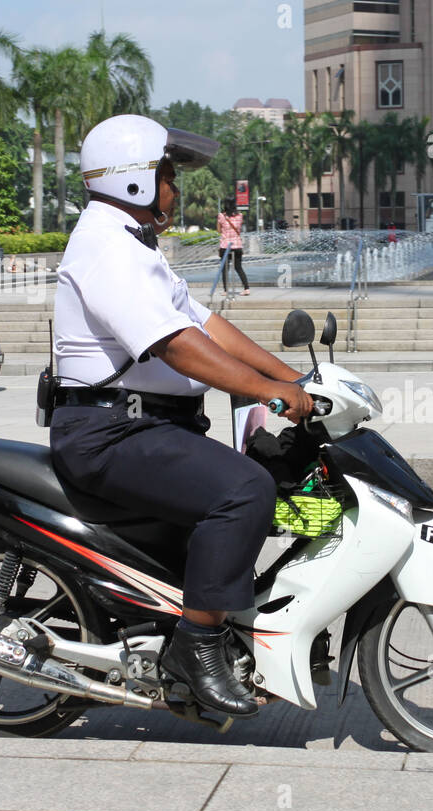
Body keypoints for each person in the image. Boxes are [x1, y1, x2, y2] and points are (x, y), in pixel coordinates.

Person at [50, 114, 313, 716]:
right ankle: (194, 650)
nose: (176, 187)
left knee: (251, 487)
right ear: (135, 179)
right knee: (245, 489)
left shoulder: (130, 244)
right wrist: (269, 393)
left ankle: (191, 623)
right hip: (110, 432)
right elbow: (175, 344)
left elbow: (206, 323)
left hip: (145, 426)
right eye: (168, 174)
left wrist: (292, 378)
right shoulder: (108, 248)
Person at [218, 198, 250, 296]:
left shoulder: (221, 216)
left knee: (225, 269)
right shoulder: (240, 216)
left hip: (225, 246)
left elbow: (219, 230)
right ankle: (246, 288)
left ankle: (225, 290)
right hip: (237, 245)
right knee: (238, 267)